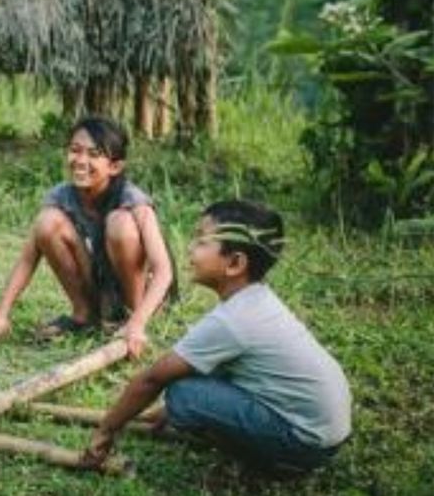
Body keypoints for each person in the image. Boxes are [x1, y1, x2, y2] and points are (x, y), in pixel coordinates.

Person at [82, 200, 352, 474]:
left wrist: (105, 432)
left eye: (201, 241)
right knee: (193, 378)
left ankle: (273, 462)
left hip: (305, 443)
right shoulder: (257, 301)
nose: (190, 249)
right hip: (325, 432)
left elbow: (152, 379)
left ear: (235, 263)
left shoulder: (231, 322)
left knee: (184, 395)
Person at [0, 116, 174, 358]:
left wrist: (138, 323)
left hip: (141, 298)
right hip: (99, 282)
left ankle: (129, 317)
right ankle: (85, 315)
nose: (80, 161)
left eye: (93, 154)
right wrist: (1, 311)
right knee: (47, 222)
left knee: (119, 224)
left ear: (114, 167)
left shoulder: (134, 201)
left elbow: (164, 270)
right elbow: (28, 259)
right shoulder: (62, 196)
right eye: (75, 151)